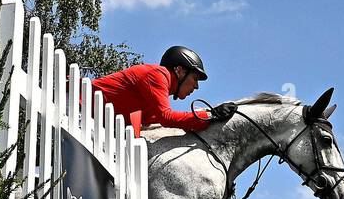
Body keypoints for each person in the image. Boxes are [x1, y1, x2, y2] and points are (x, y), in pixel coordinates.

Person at [92, 46, 237, 136]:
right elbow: (167, 118)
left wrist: (207, 117)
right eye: (195, 78)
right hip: (76, 108)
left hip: (92, 121)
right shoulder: (157, 74)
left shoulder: (154, 97)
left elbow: (171, 122)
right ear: (179, 70)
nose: (196, 86)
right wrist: (210, 115)